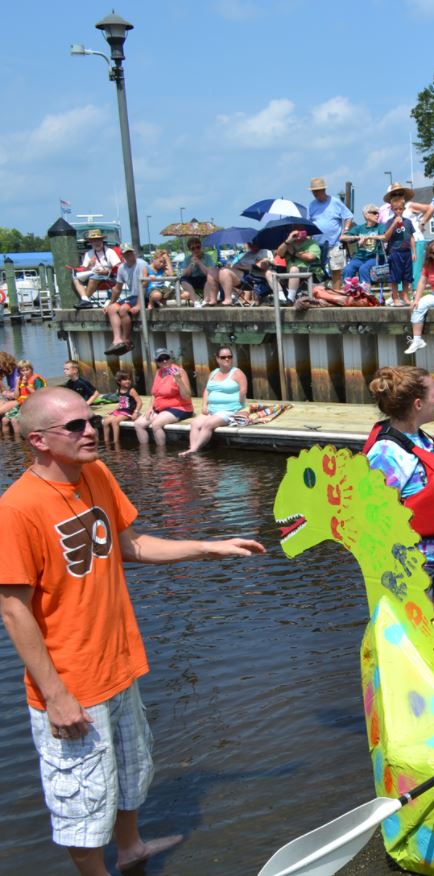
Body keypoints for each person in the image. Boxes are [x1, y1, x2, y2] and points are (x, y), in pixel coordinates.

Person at [0, 387, 264, 876]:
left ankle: (131, 849)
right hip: (71, 680)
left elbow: (133, 546)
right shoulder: (17, 509)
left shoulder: (95, 474)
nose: (91, 430)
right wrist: (55, 694)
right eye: (74, 426)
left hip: (119, 662)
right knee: (81, 796)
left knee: (130, 770)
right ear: (38, 440)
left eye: (91, 420)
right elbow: (14, 611)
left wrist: (211, 547)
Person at [363, 367, 434, 618]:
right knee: (414, 633)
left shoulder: (419, 438)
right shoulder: (387, 454)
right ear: (418, 404)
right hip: (409, 565)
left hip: (433, 557)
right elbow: (373, 513)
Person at [179, 347, 247, 457]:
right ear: (217, 359)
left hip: (229, 411)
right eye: (223, 357)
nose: (227, 359)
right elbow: (207, 390)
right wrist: (204, 405)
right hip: (212, 410)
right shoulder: (214, 373)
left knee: (208, 424)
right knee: (194, 424)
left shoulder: (237, 373)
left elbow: (243, 391)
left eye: (229, 357)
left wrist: (237, 407)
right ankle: (192, 448)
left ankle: (194, 450)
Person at [132, 349, 193, 447]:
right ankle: (145, 454)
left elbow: (186, 396)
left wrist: (178, 380)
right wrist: (150, 407)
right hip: (160, 408)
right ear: (157, 362)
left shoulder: (179, 372)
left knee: (156, 424)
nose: (164, 361)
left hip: (179, 407)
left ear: (170, 359)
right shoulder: (159, 372)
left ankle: (161, 456)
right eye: (161, 359)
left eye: (166, 358)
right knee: (138, 424)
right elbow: (154, 394)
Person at [306, 177, 354, 291]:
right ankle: (323, 294)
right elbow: (308, 223)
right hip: (317, 245)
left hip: (335, 242)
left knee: (336, 270)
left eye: (317, 191)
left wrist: (345, 230)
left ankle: (336, 293)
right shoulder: (311, 205)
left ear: (323, 190)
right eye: (313, 191)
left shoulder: (335, 202)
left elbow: (348, 216)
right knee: (318, 271)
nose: (315, 193)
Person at [380, 183, 420, 307]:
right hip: (395, 252)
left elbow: (412, 237)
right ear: (392, 209)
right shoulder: (389, 222)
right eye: (396, 209)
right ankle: (396, 298)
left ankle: (405, 296)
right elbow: (386, 238)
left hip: (406, 251)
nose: (398, 211)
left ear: (403, 209)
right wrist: (393, 225)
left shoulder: (408, 222)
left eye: (400, 209)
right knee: (395, 277)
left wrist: (414, 252)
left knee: (406, 276)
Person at [104, 244, 147, 356]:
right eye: (126, 253)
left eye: (130, 252)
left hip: (144, 294)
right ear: (122, 255)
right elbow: (118, 289)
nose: (129, 255)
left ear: (134, 253)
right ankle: (117, 339)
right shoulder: (122, 268)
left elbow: (145, 284)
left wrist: (138, 305)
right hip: (133, 295)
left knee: (123, 309)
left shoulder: (141, 264)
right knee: (112, 309)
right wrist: (110, 303)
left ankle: (126, 340)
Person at [71, 229, 121, 309]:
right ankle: (85, 299)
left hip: (108, 277)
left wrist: (105, 272)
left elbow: (118, 268)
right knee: (75, 277)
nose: (96, 243)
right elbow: (84, 270)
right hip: (92, 274)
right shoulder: (88, 253)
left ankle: (84, 301)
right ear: (90, 242)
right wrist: (89, 266)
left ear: (102, 240)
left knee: (94, 277)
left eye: (98, 240)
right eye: (94, 241)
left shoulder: (110, 252)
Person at [271, 226, 323, 303]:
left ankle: (290, 299)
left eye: (301, 229)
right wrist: (288, 241)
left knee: (294, 269)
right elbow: (279, 253)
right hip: (289, 272)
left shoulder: (312, 243)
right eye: (296, 230)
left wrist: (294, 253)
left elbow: (310, 257)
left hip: (308, 271)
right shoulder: (288, 244)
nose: (298, 232)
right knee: (269, 273)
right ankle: (282, 298)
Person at [339, 205, 384, 287]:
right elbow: (342, 237)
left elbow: (384, 237)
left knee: (363, 269)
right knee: (347, 269)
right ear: (366, 215)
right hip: (359, 258)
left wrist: (369, 237)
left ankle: (365, 292)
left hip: (374, 257)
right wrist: (357, 237)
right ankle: (348, 290)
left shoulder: (380, 227)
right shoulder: (359, 228)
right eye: (374, 213)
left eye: (378, 213)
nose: (377, 215)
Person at [2, 360, 46, 435]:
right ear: (19, 372)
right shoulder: (20, 380)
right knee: (4, 420)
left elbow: (38, 394)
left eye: (27, 370)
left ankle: (19, 441)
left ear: (32, 369)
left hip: (33, 404)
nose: (25, 372)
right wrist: (16, 384)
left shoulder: (37, 379)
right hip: (21, 404)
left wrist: (26, 385)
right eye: (22, 370)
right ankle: (8, 443)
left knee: (14, 421)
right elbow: (16, 396)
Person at [103, 370, 140, 444]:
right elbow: (121, 403)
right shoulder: (119, 390)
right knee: (105, 422)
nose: (128, 381)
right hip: (121, 410)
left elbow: (139, 402)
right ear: (119, 382)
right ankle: (106, 441)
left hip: (129, 411)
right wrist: (113, 410)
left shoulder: (131, 390)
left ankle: (116, 442)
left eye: (129, 379)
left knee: (114, 421)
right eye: (125, 379)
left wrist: (136, 412)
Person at [178, 238, 217, 306]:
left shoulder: (208, 257)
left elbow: (209, 272)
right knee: (183, 280)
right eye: (193, 248)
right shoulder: (187, 259)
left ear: (201, 247)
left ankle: (205, 301)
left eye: (198, 247)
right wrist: (191, 264)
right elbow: (184, 274)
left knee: (210, 277)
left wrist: (199, 262)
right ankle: (195, 301)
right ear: (190, 250)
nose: (196, 250)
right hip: (192, 280)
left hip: (204, 278)